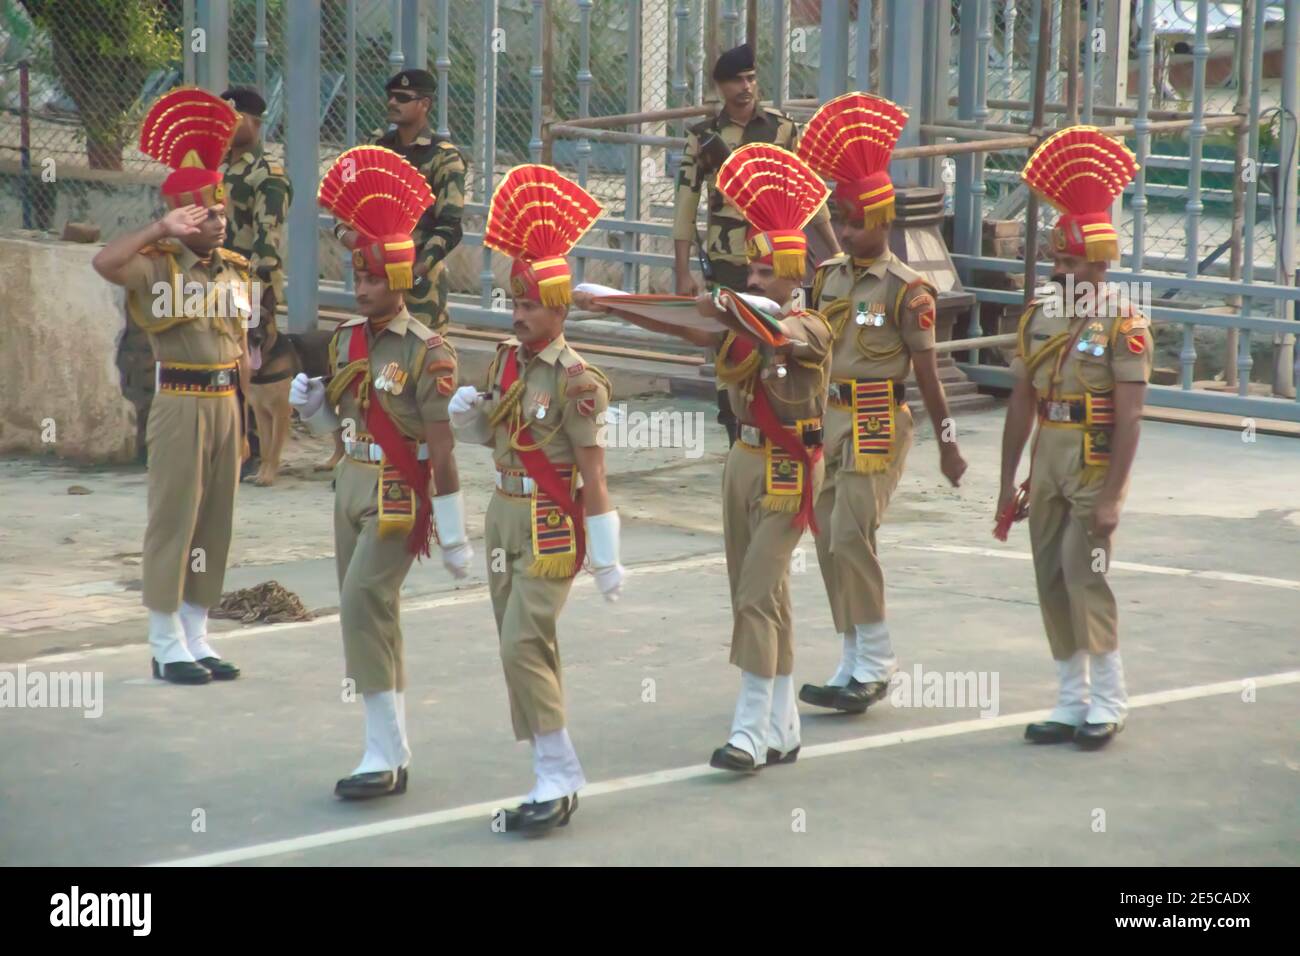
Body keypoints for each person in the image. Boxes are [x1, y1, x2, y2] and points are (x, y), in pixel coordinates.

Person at [584, 143, 831, 773]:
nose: (753, 282)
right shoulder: (739, 315)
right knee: (762, 597)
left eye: (764, 275)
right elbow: (692, 326)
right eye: (748, 275)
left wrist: (726, 304)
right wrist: (615, 306)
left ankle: (748, 731)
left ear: (793, 275)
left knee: (756, 592)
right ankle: (783, 726)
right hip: (742, 461)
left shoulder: (813, 326)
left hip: (788, 471)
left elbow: (776, 334)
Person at [291, 146, 472, 798]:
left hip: (400, 493)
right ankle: (392, 750)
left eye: (369, 280)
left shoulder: (430, 352)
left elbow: (444, 447)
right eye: (354, 278)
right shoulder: (345, 341)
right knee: (372, 611)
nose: (358, 288)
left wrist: (452, 532)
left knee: (362, 601)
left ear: (398, 282)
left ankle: (379, 751)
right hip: (349, 485)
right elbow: (338, 426)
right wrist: (311, 410)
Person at [449, 164, 623, 835]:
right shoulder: (503, 362)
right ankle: (554, 769)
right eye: (513, 303)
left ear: (559, 309)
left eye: (529, 305)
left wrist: (605, 556)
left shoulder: (578, 382)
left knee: (524, 640)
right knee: (519, 643)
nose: (518, 316)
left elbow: (594, 472)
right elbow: (492, 431)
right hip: (501, 513)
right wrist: (467, 412)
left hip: (552, 521)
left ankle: (556, 774)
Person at [796, 92, 968, 715]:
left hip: (875, 417)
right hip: (830, 416)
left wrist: (948, 442)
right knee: (826, 538)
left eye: (852, 221)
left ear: (883, 219)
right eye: (839, 219)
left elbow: (928, 372)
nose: (842, 231)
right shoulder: (830, 277)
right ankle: (851, 659)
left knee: (851, 533)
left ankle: (877, 658)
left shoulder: (906, 290)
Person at [91, 87, 250, 685]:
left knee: (215, 521)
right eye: (205, 213)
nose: (218, 222)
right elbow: (104, 264)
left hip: (224, 403)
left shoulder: (234, 269)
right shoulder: (155, 262)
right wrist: (160, 225)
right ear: (183, 215)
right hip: (180, 400)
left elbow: (240, 345)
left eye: (221, 212)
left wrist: (245, 419)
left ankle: (197, 634)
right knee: (174, 519)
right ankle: (164, 642)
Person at [997, 126, 1148, 750]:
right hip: (1050, 462)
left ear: (1099, 262)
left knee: (1086, 575)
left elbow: (1131, 416)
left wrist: (1114, 496)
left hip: (1092, 463)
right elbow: (1022, 402)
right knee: (1050, 578)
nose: (1058, 270)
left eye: (1068, 261)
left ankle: (1109, 699)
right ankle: (1070, 697)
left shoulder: (1124, 322)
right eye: (1055, 260)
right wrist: (1007, 482)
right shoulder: (1039, 317)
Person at [672, 42, 839, 445]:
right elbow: (685, 201)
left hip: (778, 261)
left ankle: (785, 428)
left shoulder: (782, 129)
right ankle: (737, 428)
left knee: (784, 341)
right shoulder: (703, 137)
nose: (745, 87)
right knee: (732, 346)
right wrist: (681, 270)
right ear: (718, 86)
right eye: (735, 81)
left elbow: (807, 190)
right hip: (729, 259)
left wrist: (834, 252)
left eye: (750, 78)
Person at [334, 69, 466, 333]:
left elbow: (450, 226)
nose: (393, 102)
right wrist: (344, 235)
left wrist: (415, 271)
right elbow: (344, 200)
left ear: (424, 104)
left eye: (403, 98)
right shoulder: (374, 146)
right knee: (373, 353)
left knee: (418, 358)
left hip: (420, 284)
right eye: (391, 96)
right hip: (373, 276)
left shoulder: (444, 157)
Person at [220, 85, 292, 482]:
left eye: (233, 118)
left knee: (251, 368)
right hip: (215, 280)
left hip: (249, 283)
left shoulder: (267, 174)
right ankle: (225, 444)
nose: (226, 127)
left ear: (253, 121)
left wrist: (257, 292)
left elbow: (269, 237)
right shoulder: (218, 167)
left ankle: (255, 451)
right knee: (220, 362)